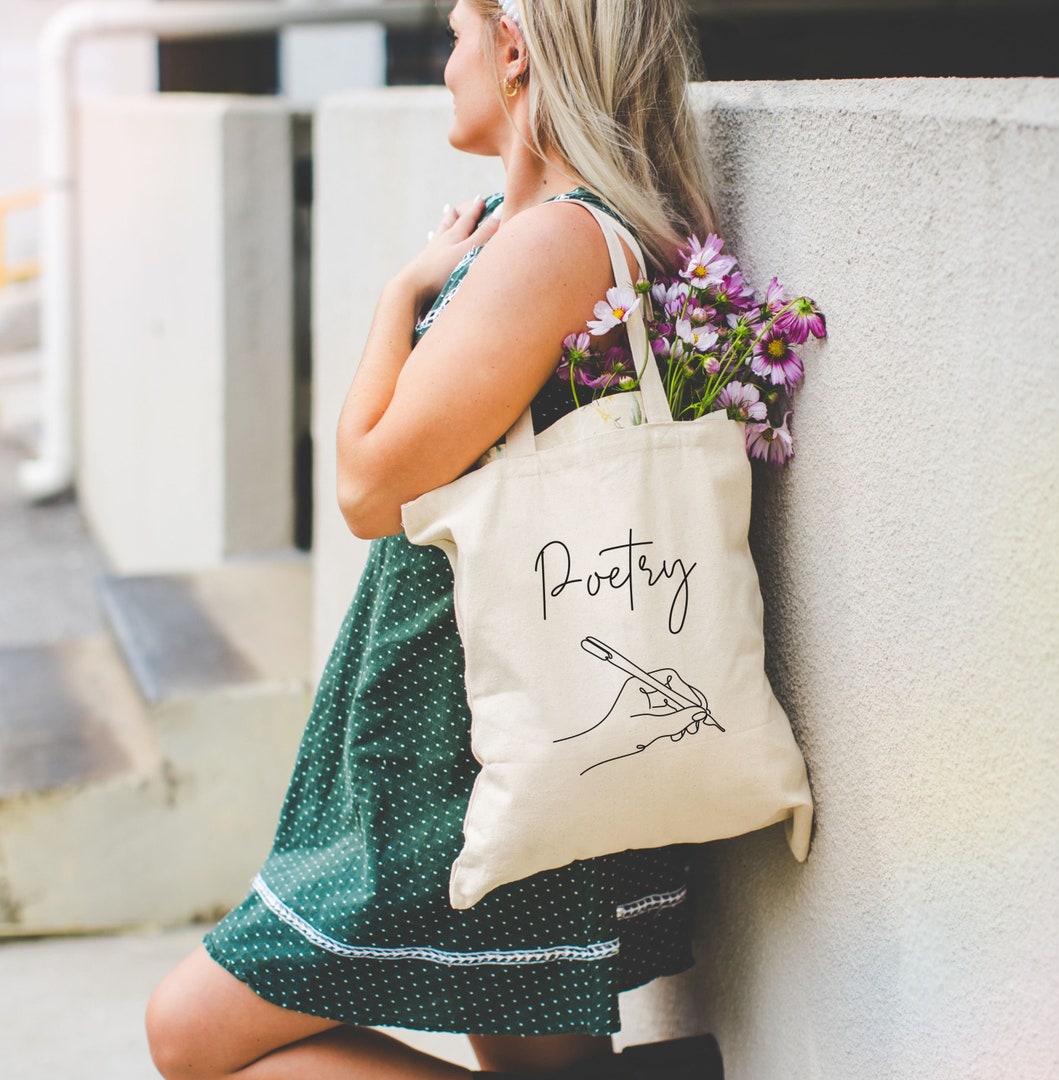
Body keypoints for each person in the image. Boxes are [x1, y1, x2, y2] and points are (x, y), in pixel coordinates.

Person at [145, 2, 722, 1077]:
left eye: (457, 30)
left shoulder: (556, 242)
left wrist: (395, 296)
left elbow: (367, 488)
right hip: (502, 709)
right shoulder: (560, 233)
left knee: (190, 1035)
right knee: (543, 1063)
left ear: (514, 47)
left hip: (475, 734)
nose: (444, 58)